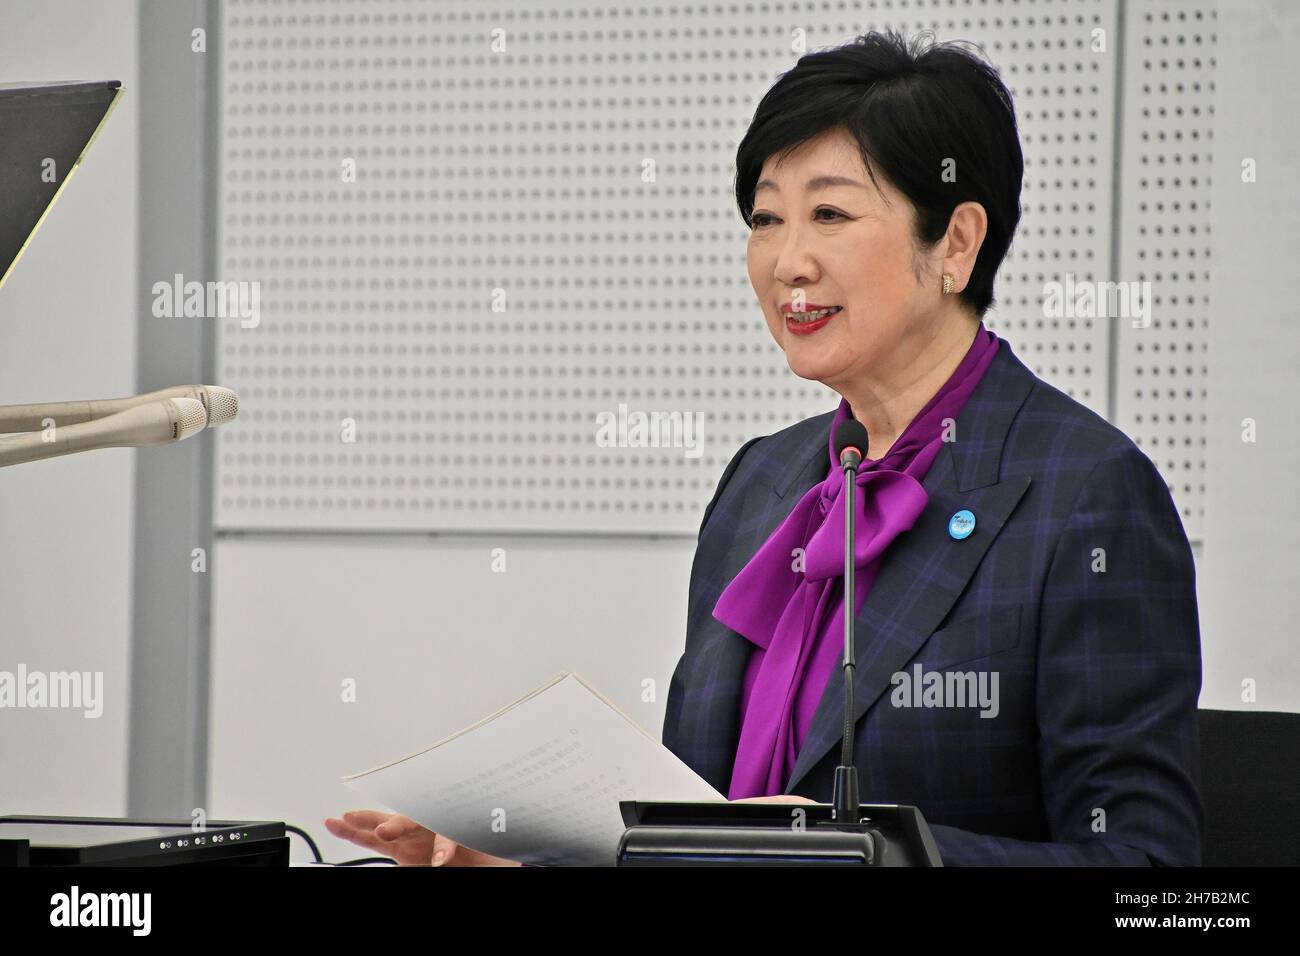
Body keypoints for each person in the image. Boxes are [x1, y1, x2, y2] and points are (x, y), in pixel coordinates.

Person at [329, 28, 1202, 867]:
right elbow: (700, 834)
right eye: (765, 218)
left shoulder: (1084, 493)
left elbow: (1148, 873)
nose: (786, 261)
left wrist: (851, 856)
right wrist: (503, 862)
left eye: (828, 213)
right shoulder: (766, 483)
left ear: (957, 242)